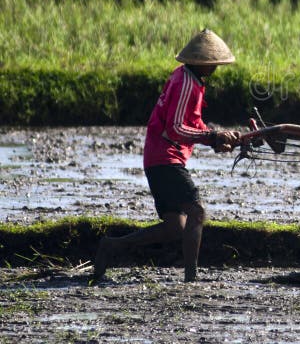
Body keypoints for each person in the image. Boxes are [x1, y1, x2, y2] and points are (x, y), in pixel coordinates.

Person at [92, 29, 241, 283]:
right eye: (213, 63)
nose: (216, 67)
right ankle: (191, 278)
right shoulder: (185, 83)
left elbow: (192, 124)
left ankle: (112, 246)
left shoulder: (189, 80)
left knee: (176, 228)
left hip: (160, 158)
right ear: (204, 63)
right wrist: (213, 137)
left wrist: (215, 139)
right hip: (165, 157)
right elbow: (175, 128)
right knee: (197, 211)